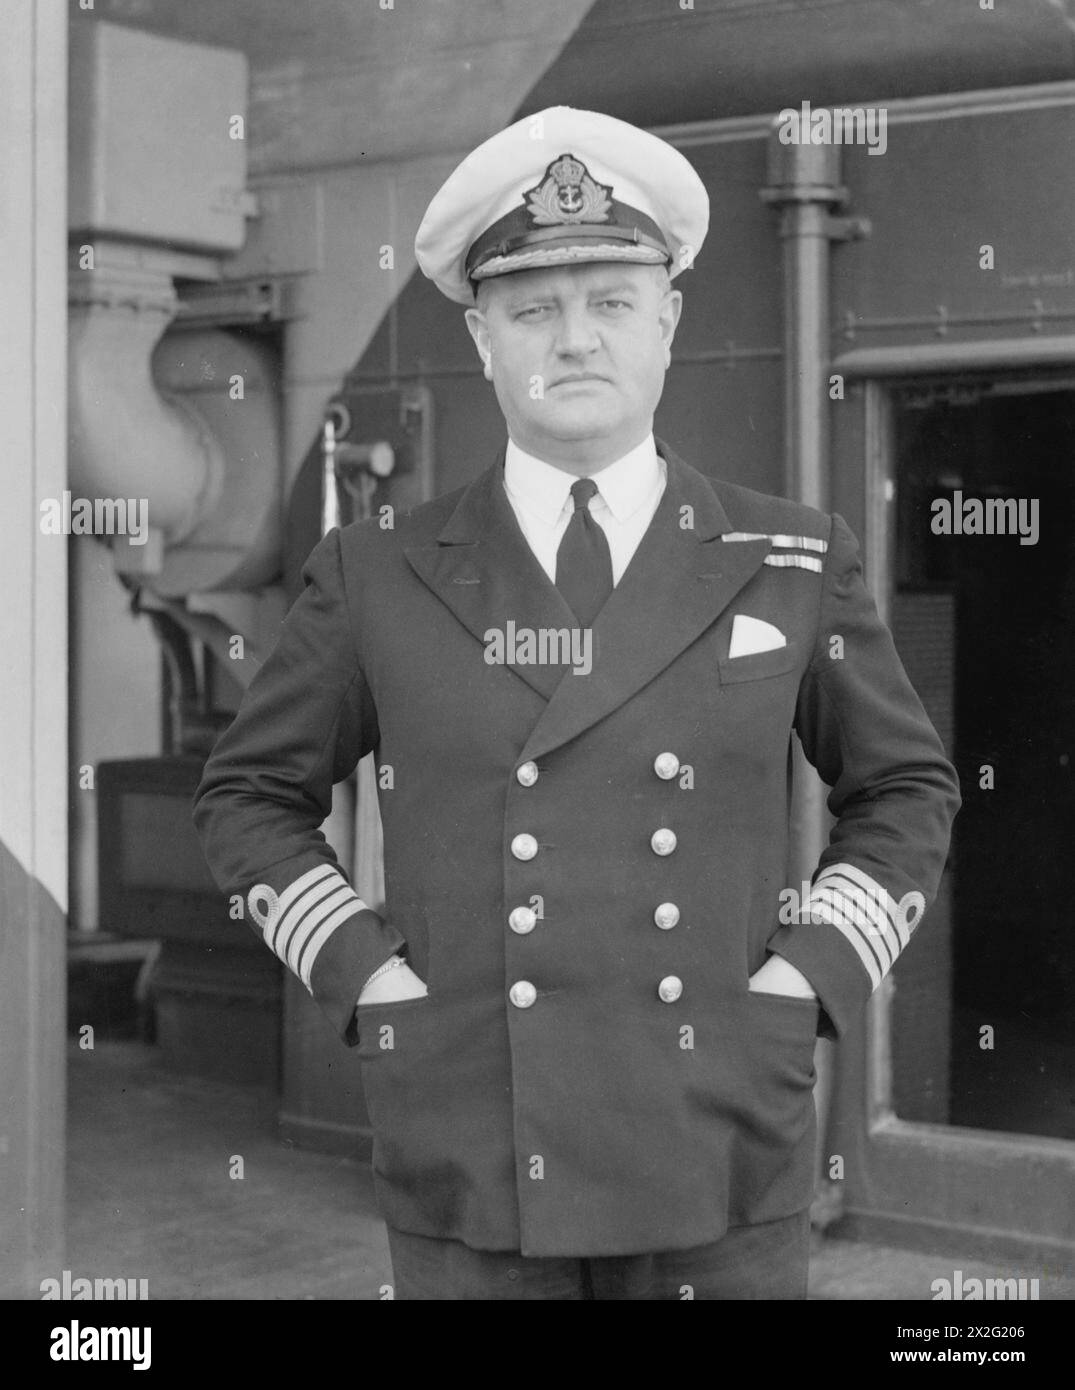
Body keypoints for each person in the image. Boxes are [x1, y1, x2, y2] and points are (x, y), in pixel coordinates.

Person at [193, 106, 960, 1300]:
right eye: (532, 307)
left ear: (668, 319)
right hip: (475, 1128)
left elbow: (906, 788)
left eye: (610, 299)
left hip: (717, 1131)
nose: (575, 338)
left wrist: (806, 975)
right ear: (482, 337)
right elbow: (247, 796)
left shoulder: (792, 556)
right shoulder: (378, 568)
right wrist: (367, 977)